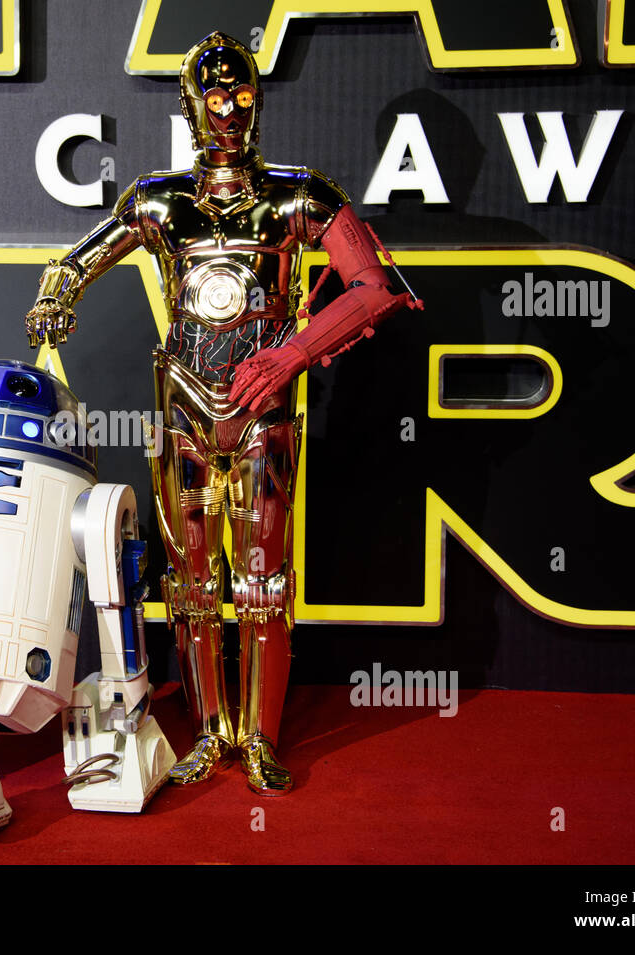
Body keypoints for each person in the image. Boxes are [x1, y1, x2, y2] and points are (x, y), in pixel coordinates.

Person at [25, 31, 419, 795]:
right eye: (215, 96)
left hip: (266, 404)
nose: (230, 111)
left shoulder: (298, 196)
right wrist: (56, 295)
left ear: (258, 100)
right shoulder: (158, 201)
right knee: (192, 583)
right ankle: (210, 731)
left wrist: (292, 355)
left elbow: (376, 286)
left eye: (242, 94)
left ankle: (262, 737)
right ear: (189, 106)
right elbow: (76, 259)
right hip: (184, 407)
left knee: (266, 581)